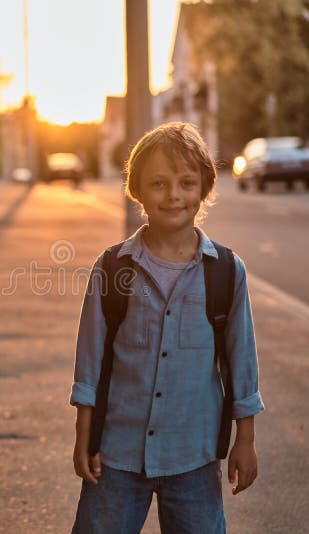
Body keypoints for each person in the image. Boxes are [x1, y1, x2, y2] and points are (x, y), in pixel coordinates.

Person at [70, 122, 265, 533]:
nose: (174, 195)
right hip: (117, 455)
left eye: (186, 182)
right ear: (136, 190)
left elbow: (241, 362)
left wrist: (244, 441)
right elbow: (89, 363)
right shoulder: (113, 268)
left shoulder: (226, 272)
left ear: (205, 189)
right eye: (158, 183)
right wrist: (84, 438)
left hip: (192, 456)